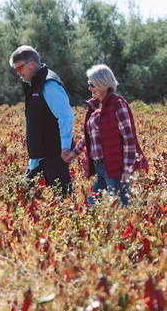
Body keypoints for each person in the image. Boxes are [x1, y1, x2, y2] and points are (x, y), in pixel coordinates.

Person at [63, 65, 149, 206]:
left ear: (101, 83)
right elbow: (88, 137)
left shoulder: (117, 103)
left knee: (118, 209)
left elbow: (129, 139)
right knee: (92, 204)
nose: (89, 88)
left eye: (91, 84)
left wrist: (127, 170)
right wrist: (74, 153)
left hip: (115, 168)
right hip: (100, 168)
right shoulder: (96, 107)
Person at [10, 45, 75, 195]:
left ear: (32, 64)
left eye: (20, 69)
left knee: (63, 199)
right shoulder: (33, 85)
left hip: (55, 155)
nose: (19, 74)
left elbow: (66, 116)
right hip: (39, 156)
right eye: (16, 70)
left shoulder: (49, 83)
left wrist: (65, 146)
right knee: (24, 196)